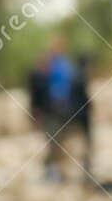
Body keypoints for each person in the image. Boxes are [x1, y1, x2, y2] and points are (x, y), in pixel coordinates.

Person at [28, 37, 79, 181]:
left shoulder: (65, 66)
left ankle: (57, 171)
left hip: (65, 111)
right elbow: (36, 96)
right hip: (50, 113)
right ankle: (50, 171)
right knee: (53, 142)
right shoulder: (44, 72)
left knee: (62, 141)